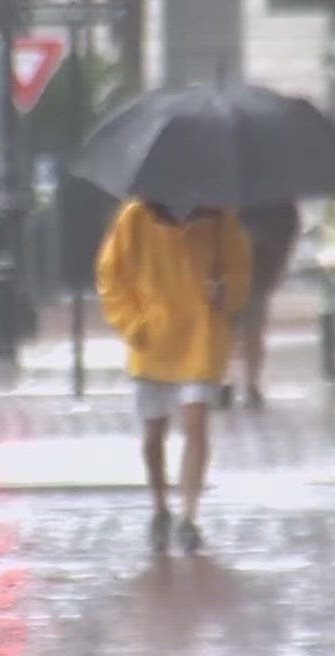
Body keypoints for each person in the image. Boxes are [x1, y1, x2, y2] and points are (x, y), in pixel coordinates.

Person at [96, 197, 253, 552]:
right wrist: (133, 323)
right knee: (154, 435)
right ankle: (160, 506)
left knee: (196, 424)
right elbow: (111, 275)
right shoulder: (135, 216)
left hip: (201, 337)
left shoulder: (219, 216)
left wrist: (226, 290)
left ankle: (189, 516)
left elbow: (240, 270)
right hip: (152, 342)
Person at [234, 202, 301, 409]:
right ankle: (246, 384)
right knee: (248, 330)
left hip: (250, 272)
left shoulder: (225, 198)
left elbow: (288, 231)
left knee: (244, 330)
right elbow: (289, 230)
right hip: (247, 272)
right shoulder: (277, 199)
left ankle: (243, 384)